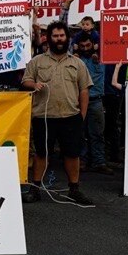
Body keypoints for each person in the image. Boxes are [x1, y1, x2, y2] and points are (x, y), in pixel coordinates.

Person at [21, 21, 94, 206]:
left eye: (62, 35)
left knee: (72, 154)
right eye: (55, 36)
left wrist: (81, 116)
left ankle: (74, 189)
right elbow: (26, 81)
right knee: (41, 153)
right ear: (49, 38)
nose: (59, 39)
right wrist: (33, 84)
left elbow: (84, 90)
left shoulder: (77, 63)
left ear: (67, 38)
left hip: (71, 116)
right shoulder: (37, 61)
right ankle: (35, 188)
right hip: (43, 117)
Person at [74, 31, 112, 175]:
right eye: (82, 46)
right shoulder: (75, 60)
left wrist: (98, 51)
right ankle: (82, 161)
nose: (85, 48)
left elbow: (105, 38)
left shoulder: (102, 58)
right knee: (80, 133)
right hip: (78, 101)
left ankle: (99, 162)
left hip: (96, 100)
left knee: (97, 133)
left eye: (88, 45)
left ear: (93, 44)